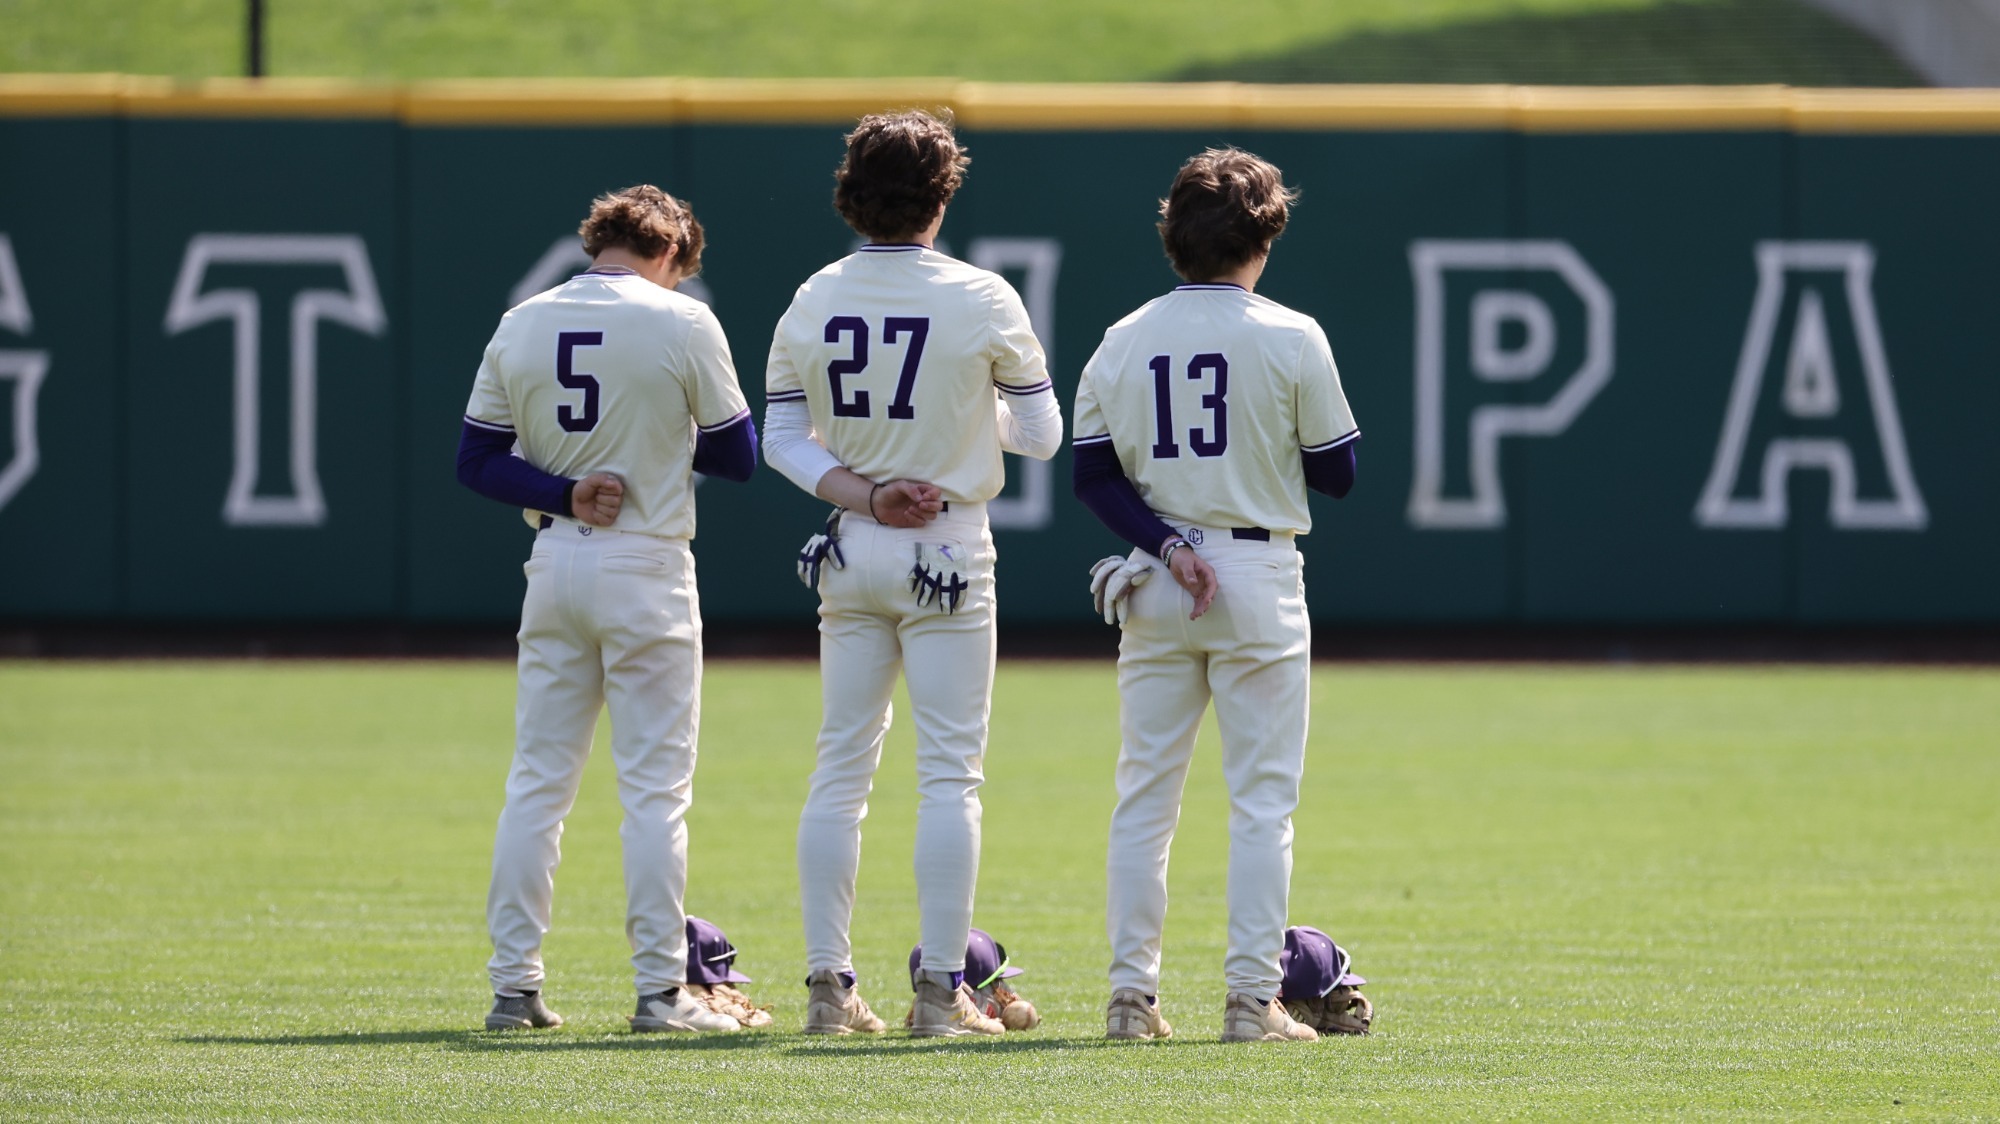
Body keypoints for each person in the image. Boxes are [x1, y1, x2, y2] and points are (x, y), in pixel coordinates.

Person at [762, 110, 1062, 1037]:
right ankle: (940, 992)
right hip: (949, 545)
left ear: (853, 191)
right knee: (949, 777)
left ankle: (826, 987)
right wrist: (975, 430)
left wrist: (863, 490)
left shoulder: (814, 293)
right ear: (943, 192)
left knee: (839, 768)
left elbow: (778, 436)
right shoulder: (983, 295)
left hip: (852, 544)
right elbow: (1044, 433)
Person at [1070, 148, 1360, 1044]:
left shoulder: (1124, 335)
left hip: (1160, 573)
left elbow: (1091, 475)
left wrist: (1165, 540)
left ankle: (1129, 996)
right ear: (1265, 234)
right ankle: (1247, 1001)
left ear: (1174, 236)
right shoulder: (1292, 333)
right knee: (1262, 803)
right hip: (1255, 574)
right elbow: (1339, 472)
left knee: (1144, 798)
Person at [456, 184, 756, 1034]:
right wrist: (661, 430)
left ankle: (514, 988)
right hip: (647, 562)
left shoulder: (523, 320)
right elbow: (737, 456)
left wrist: (563, 489)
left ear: (602, 243)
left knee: (537, 784)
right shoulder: (682, 319)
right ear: (671, 254)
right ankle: (662, 991)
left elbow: (475, 460)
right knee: (655, 793)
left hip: (554, 558)